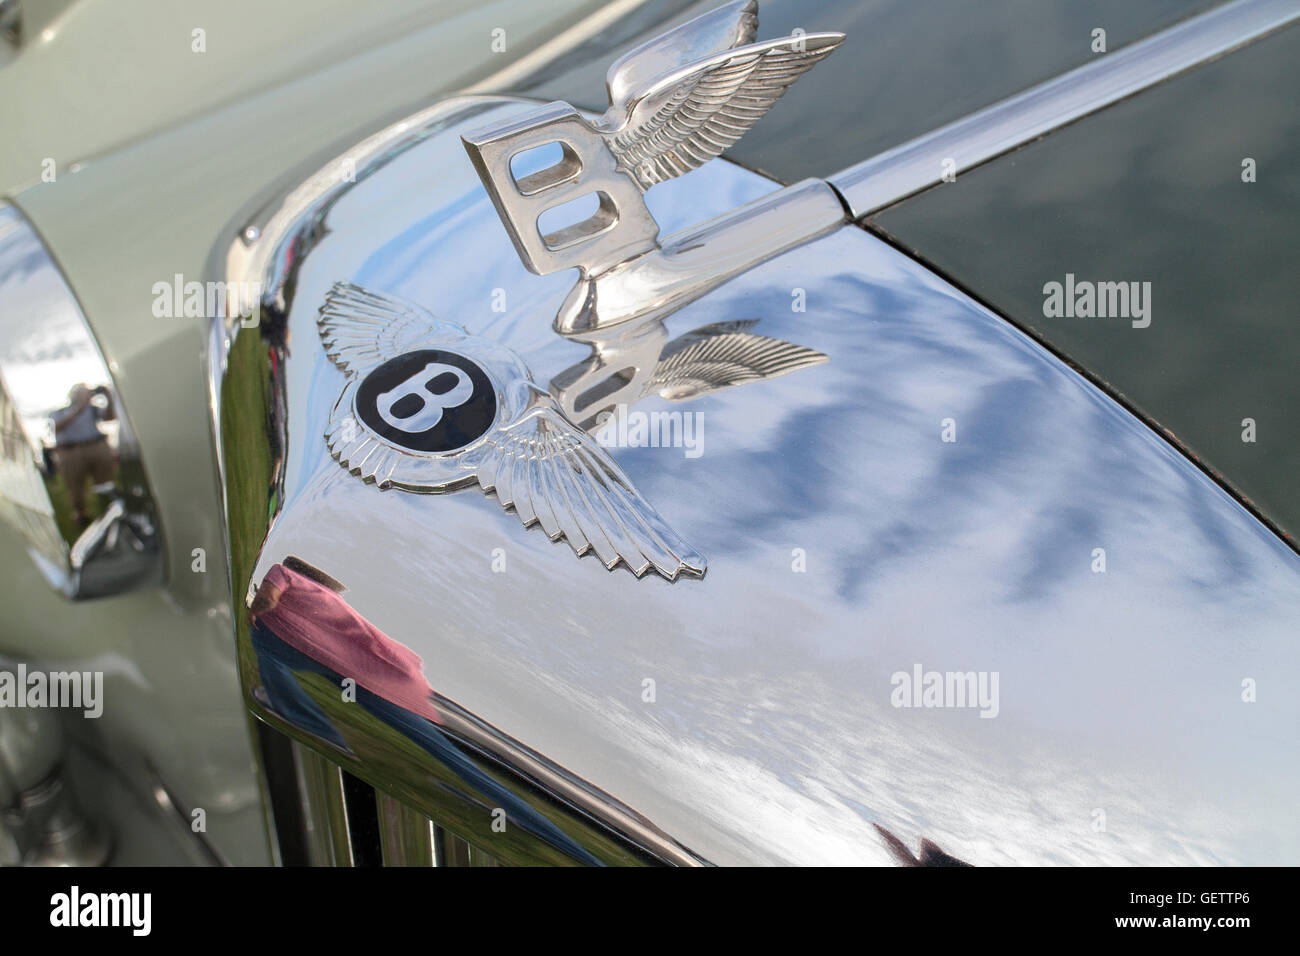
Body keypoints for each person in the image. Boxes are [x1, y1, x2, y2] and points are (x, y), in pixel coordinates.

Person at [49, 383, 116, 526]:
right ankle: (81, 517)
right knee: (75, 488)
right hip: (71, 452)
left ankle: (110, 512)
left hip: (96, 446)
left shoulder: (93, 410)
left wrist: (108, 396)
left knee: (105, 483)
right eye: (82, 393)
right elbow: (57, 427)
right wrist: (80, 409)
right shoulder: (60, 412)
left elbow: (110, 417)